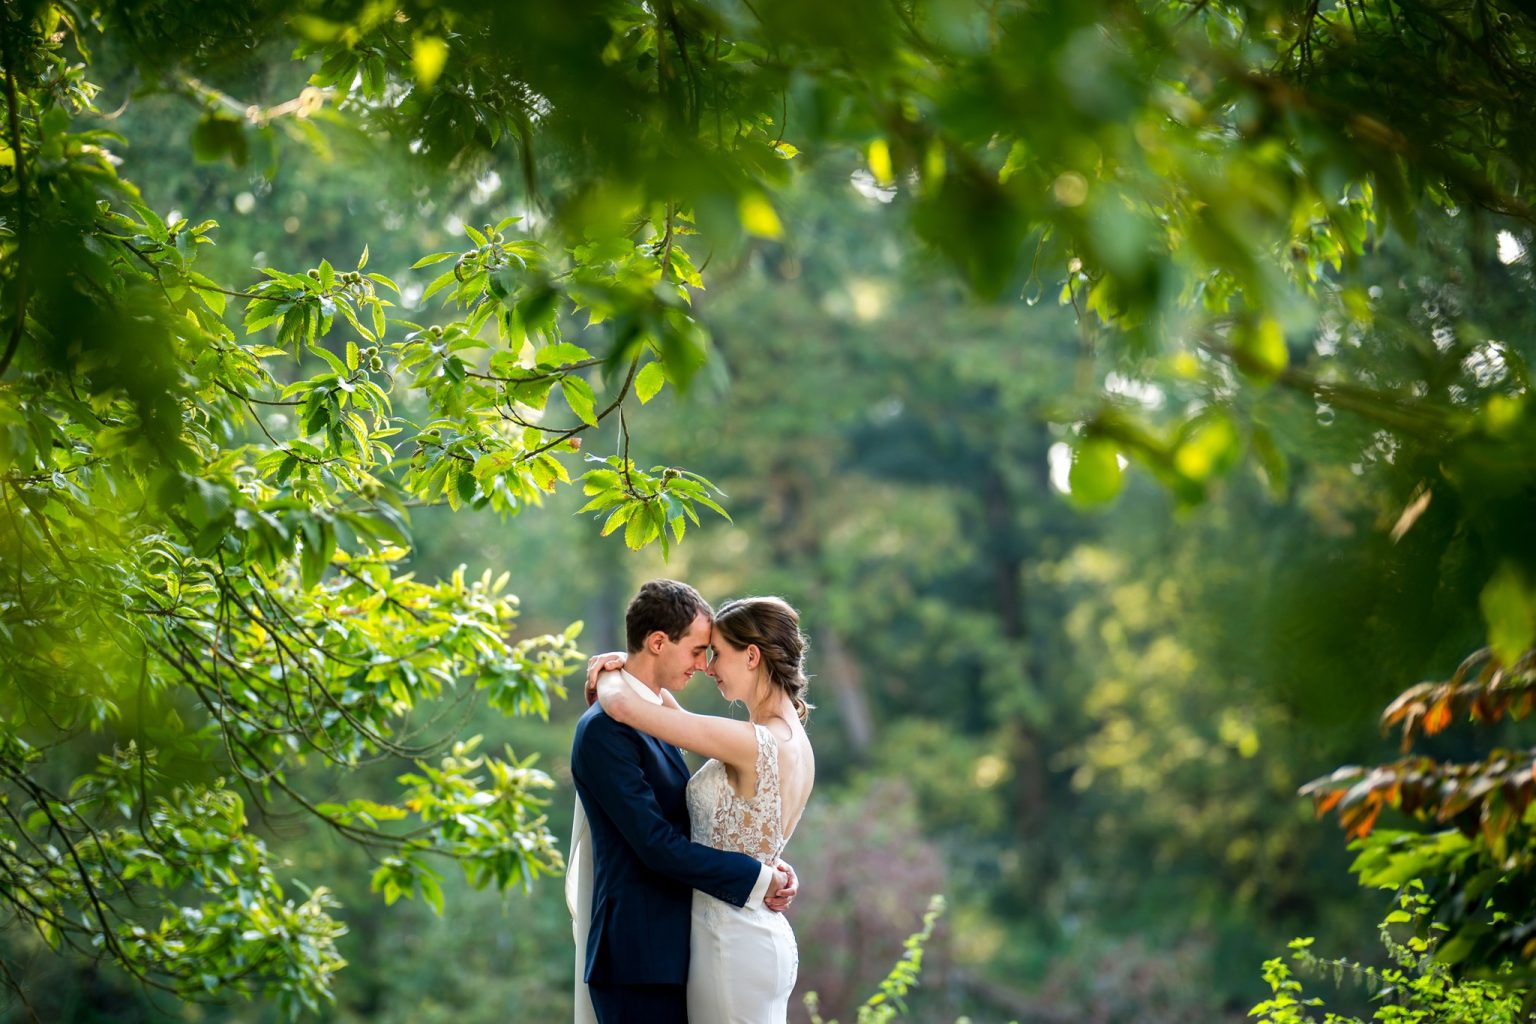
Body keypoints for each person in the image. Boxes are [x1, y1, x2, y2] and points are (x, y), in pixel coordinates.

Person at [567, 580, 800, 1024]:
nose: (704, 665)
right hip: (639, 960)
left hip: (681, 953)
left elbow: (691, 822)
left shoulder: (655, 718)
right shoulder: (604, 730)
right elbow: (654, 843)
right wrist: (755, 876)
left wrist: (762, 859)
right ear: (658, 642)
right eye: (697, 650)